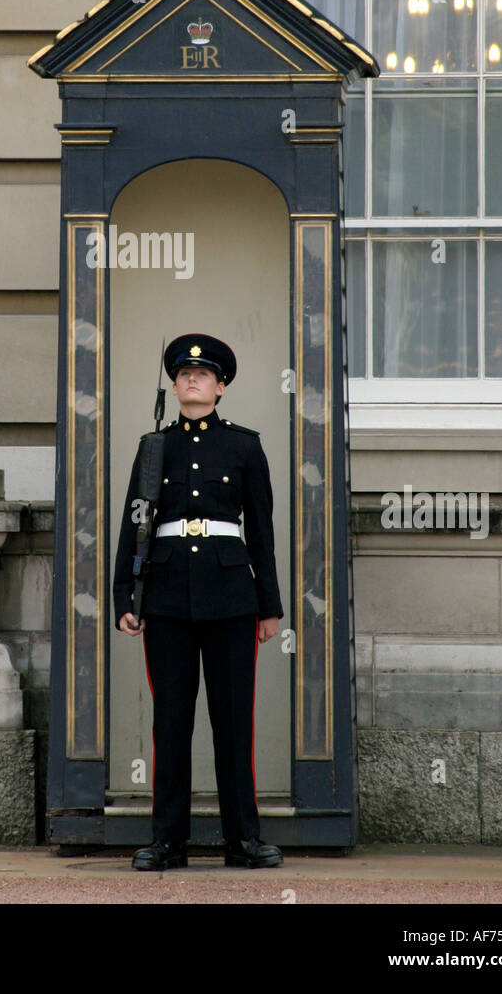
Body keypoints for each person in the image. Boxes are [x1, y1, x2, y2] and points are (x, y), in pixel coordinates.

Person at [113, 333, 284, 870]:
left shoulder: (244, 446)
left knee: (233, 721)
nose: (193, 379)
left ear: (220, 387)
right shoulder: (153, 446)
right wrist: (127, 595)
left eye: (204, 375)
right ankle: (167, 841)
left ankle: (243, 840)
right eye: (185, 374)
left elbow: (261, 531)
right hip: (165, 598)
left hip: (232, 598)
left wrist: (269, 606)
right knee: (171, 723)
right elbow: (135, 525)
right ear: (174, 384)